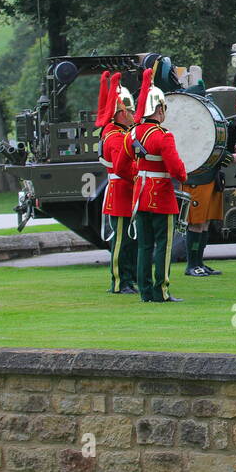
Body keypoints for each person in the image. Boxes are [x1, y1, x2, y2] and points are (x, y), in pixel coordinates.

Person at [130, 80, 188, 302]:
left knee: (144, 245)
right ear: (159, 108)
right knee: (163, 245)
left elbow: (128, 160)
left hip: (140, 193)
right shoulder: (163, 136)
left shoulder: (133, 133)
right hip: (160, 194)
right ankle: (161, 290)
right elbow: (176, 168)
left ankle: (145, 292)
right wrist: (184, 176)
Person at [180, 94, 236, 277]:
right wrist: (229, 157)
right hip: (197, 180)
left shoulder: (204, 124)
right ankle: (192, 264)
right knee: (196, 223)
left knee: (206, 223)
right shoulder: (190, 128)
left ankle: (199, 262)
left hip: (210, 177)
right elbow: (203, 151)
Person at [96, 72, 138, 294]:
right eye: (129, 111)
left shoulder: (123, 132)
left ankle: (130, 278)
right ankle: (120, 281)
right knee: (121, 241)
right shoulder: (114, 136)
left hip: (129, 191)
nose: (132, 114)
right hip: (121, 191)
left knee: (131, 241)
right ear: (120, 113)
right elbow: (123, 167)